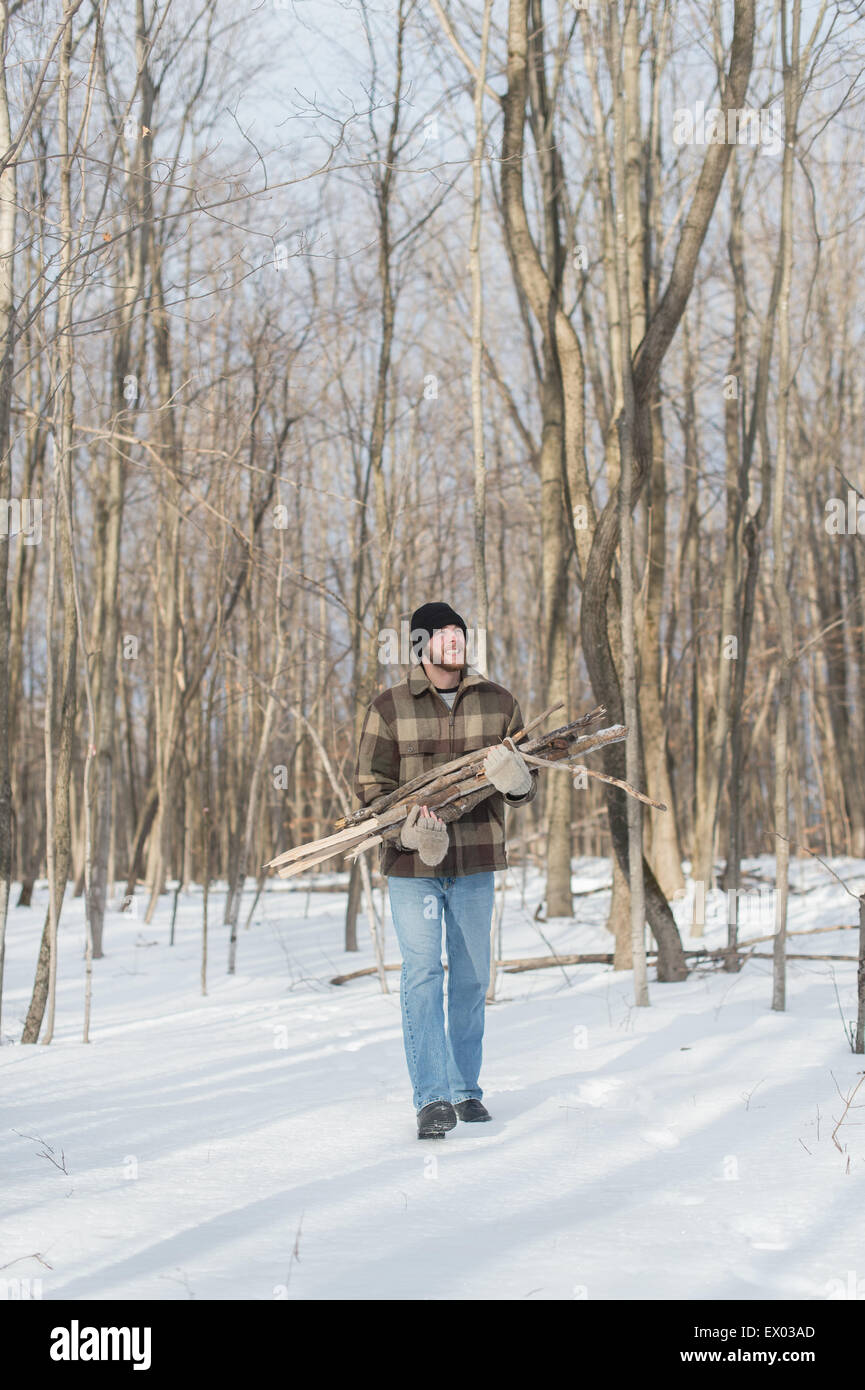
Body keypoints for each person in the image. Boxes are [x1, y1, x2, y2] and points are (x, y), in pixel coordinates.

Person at [353, 601, 539, 1139]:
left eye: (459, 631)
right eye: (441, 633)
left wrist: (519, 783)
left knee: (472, 975)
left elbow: (528, 784)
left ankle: (465, 1090)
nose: (454, 639)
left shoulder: (500, 703)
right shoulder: (389, 707)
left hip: (477, 858)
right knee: (422, 974)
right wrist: (402, 830)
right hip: (414, 866)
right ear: (420, 645)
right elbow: (369, 787)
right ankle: (432, 1097)